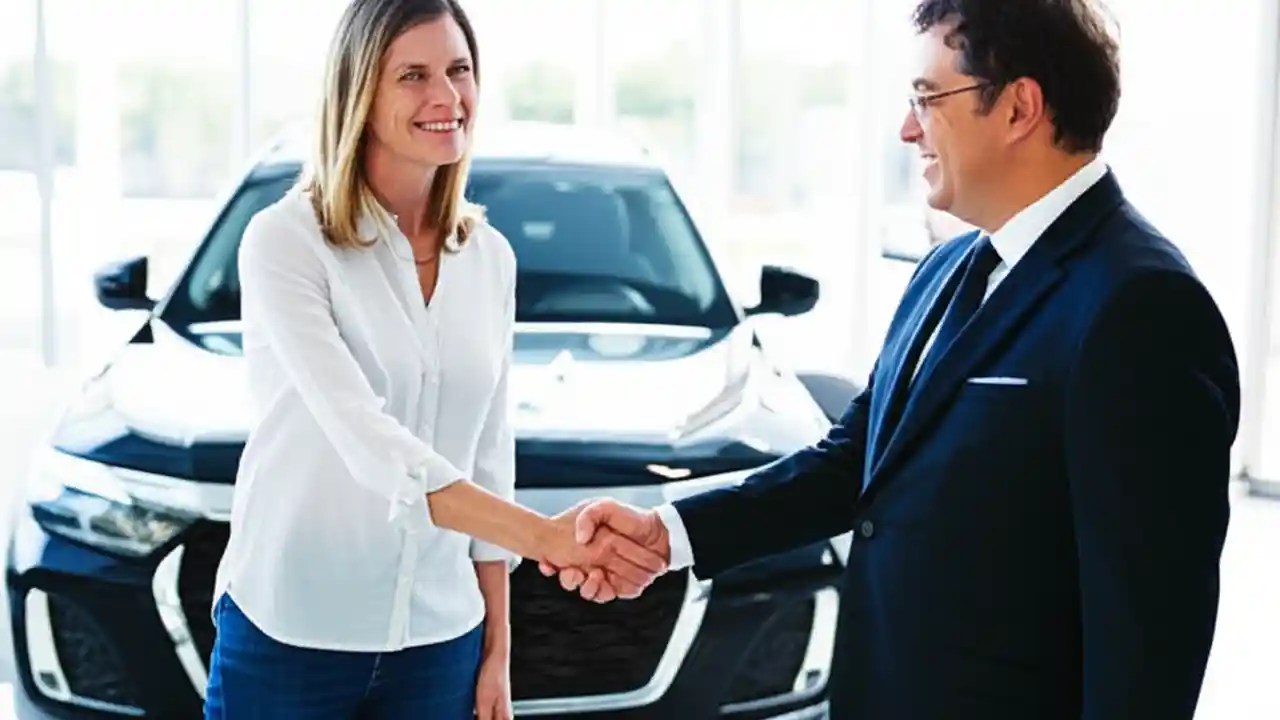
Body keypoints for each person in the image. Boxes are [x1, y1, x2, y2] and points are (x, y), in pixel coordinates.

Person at [544, 1, 1241, 717]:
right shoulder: (945, 272)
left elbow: (1150, 629)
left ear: (1019, 108)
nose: (908, 129)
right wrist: (669, 534)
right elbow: (855, 466)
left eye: (926, 98)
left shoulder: (1141, 307)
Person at [205, 1, 664, 718]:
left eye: (459, 70)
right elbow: (372, 445)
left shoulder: (489, 258)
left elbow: (487, 454)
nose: (447, 97)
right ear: (360, 93)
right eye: (413, 75)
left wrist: (497, 651)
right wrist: (550, 538)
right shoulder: (288, 242)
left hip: (441, 639)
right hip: (293, 632)